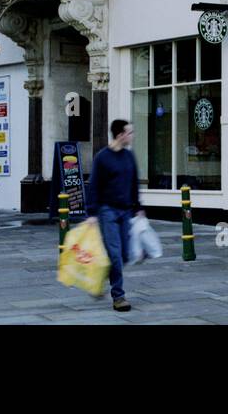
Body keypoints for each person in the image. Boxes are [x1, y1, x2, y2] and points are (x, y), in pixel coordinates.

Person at [85, 119, 140, 312]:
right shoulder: (102, 158)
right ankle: (119, 296)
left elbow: (134, 183)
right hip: (107, 211)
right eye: (130, 133)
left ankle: (100, 277)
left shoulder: (129, 156)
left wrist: (138, 207)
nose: (132, 136)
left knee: (125, 255)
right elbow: (94, 186)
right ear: (120, 135)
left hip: (125, 210)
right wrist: (91, 213)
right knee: (115, 254)